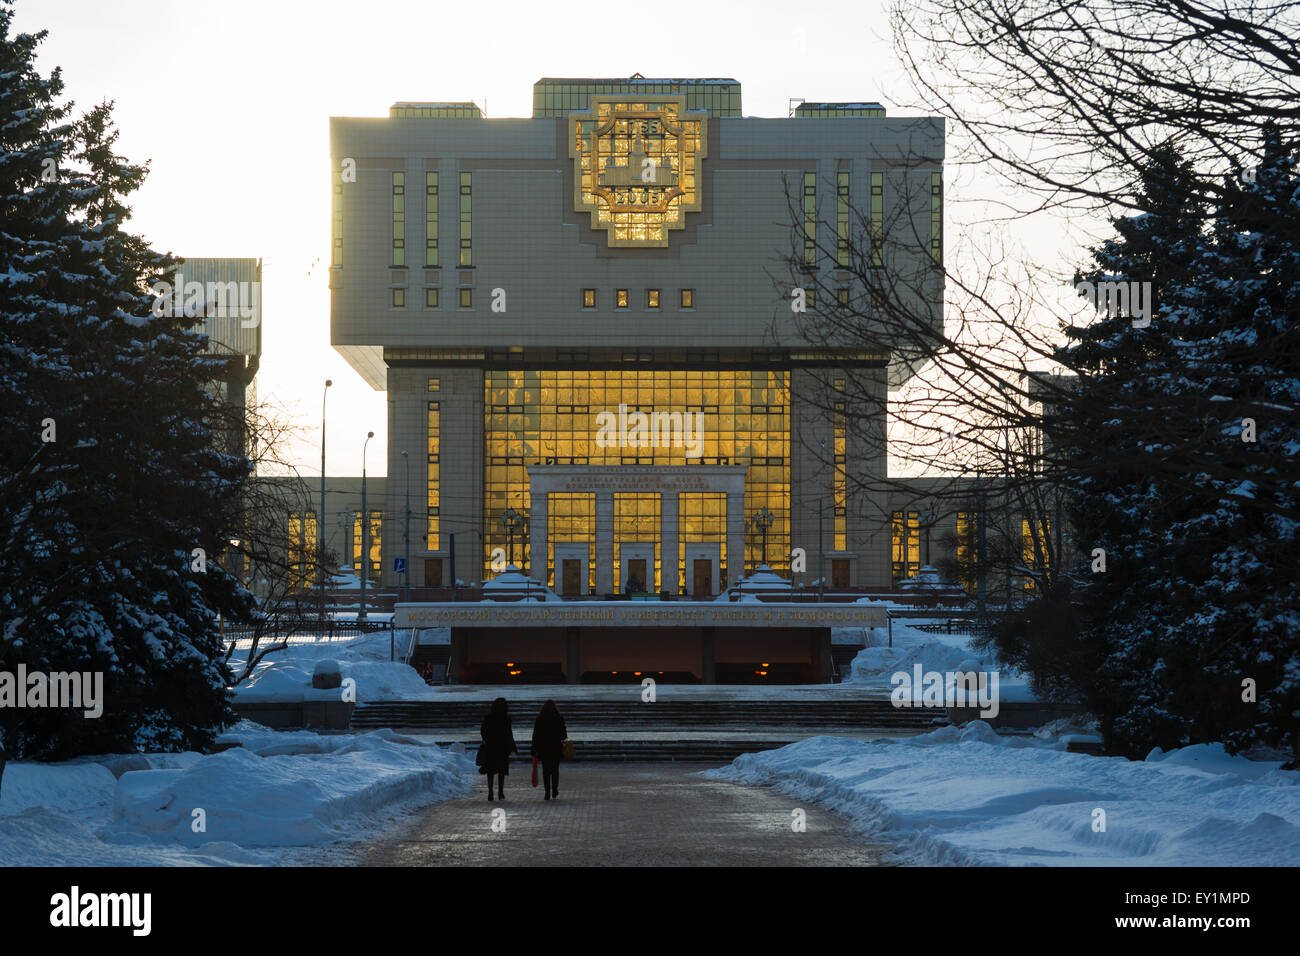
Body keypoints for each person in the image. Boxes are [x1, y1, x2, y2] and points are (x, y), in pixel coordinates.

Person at [478, 697, 517, 801]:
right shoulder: (506, 718)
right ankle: (500, 792)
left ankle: (490, 792)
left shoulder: (488, 718)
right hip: (503, 748)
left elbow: (483, 730)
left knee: (490, 771)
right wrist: (512, 746)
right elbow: (509, 733)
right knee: (501, 771)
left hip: (491, 747)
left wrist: (486, 739)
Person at [531, 699, 567, 801]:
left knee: (546, 770)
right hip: (556, 748)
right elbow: (564, 734)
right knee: (555, 770)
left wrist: (534, 747)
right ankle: (554, 789)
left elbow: (535, 735)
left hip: (543, 748)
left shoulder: (540, 718)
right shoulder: (559, 718)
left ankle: (547, 791)